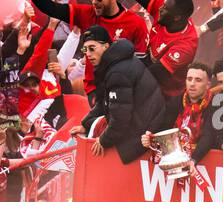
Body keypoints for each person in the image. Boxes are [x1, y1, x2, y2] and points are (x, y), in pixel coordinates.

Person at [71, 26, 166, 164]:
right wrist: (86, 124)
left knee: (98, 159)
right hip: (143, 123)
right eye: (85, 50)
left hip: (145, 134)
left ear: (106, 46)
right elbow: (105, 102)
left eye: (92, 48)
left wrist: (103, 140)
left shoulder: (117, 72)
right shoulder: (114, 64)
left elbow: (120, 119)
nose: (88, 54)